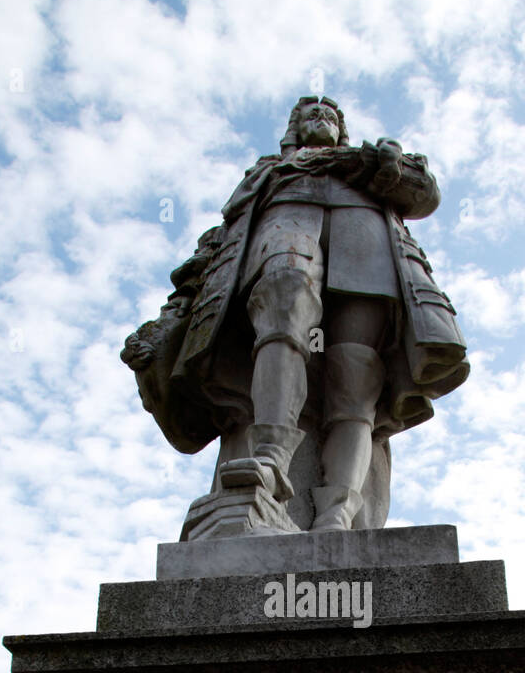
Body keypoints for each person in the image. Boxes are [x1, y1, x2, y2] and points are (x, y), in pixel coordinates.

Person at [122, 96, 469, 539]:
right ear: (293, 128)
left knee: (356, 376)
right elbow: (218, 241)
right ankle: (269, 461)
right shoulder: (269, 171)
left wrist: (390, 166)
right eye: (309, 115)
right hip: (287, 230)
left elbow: (426, 193)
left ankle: (338, 514)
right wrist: (175, 311)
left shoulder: (367, 162)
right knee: (282, 304)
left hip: (366, 247)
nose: (320, 118)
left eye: (329, 115)